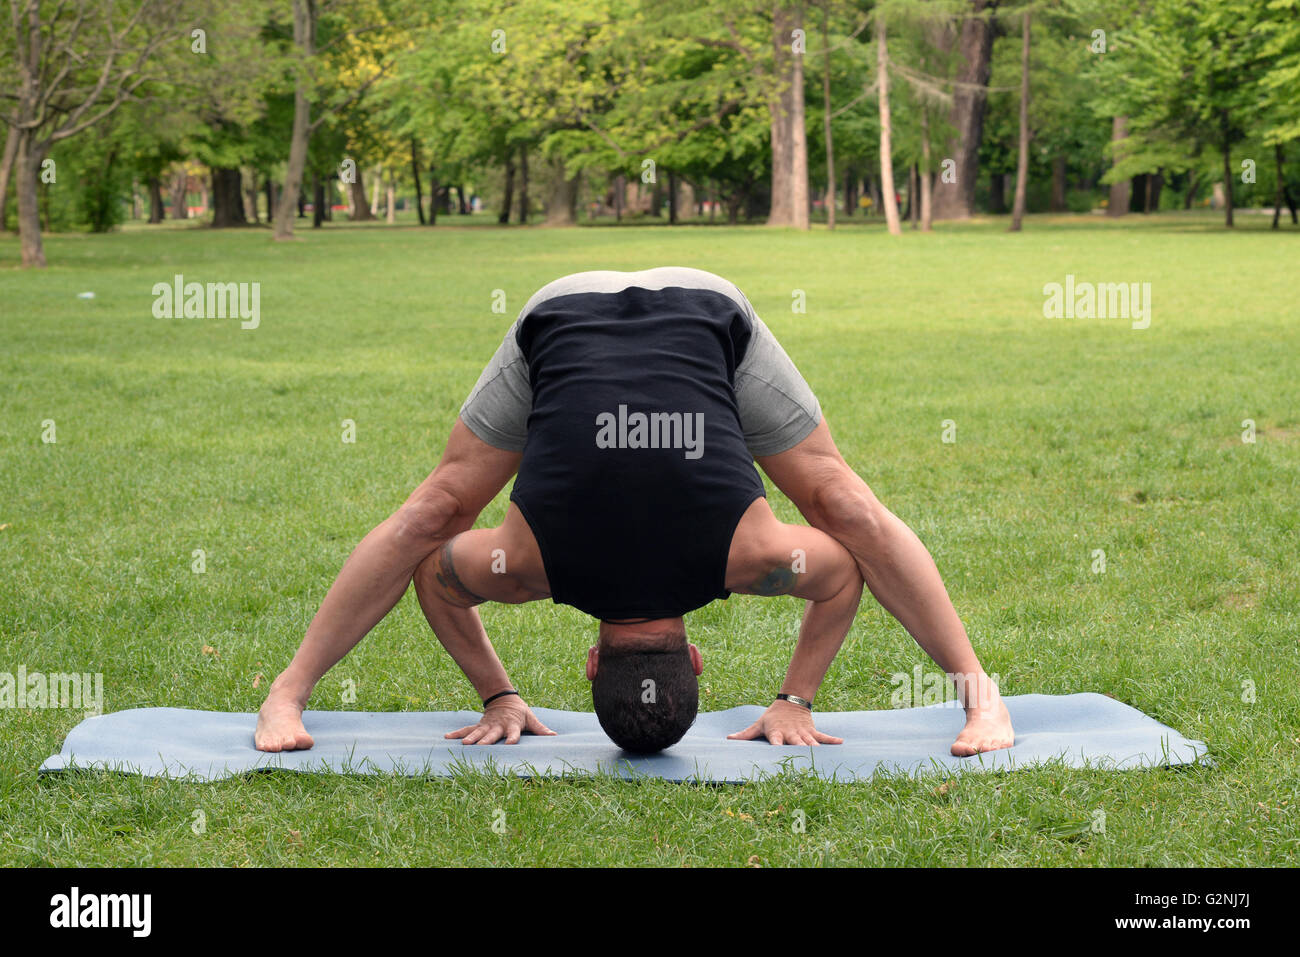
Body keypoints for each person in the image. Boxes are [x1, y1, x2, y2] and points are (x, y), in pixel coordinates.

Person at [255, 267, 1013, 755]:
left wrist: (795, 698)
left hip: (700, 311)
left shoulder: (751, 559)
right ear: (591, 662)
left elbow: (837, 574)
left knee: (433, 510)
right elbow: (440, 577)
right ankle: (978, 692)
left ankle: (291, 690)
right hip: (566, 314)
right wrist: (793, 699)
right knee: (438, 514)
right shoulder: (524, 569)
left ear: (693, 658)